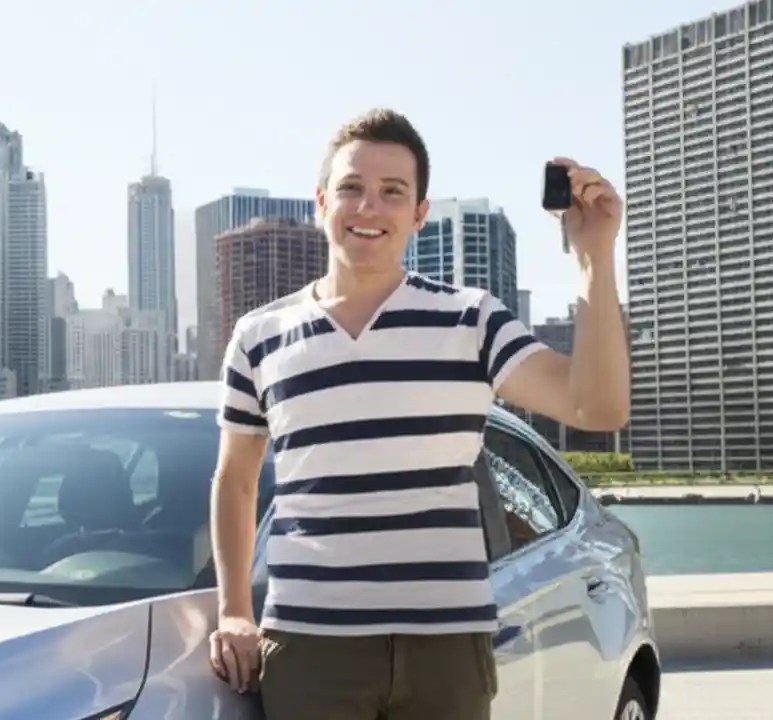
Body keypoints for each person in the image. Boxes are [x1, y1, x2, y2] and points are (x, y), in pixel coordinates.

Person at [207, 108, 630, 719]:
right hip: (310, 644)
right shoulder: (258, 336)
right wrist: (233, 612)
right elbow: (235, 480)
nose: (368, 207)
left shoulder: (471, 319)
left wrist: (594, 256)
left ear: (418, 213)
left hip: (447, 646)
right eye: (351, 188)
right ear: (321, 201)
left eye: (392, 192)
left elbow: (598, 405)